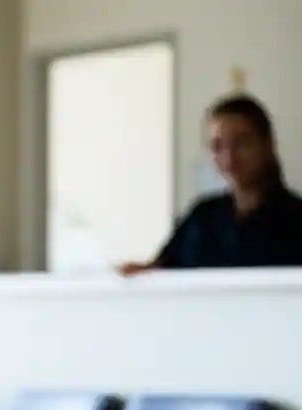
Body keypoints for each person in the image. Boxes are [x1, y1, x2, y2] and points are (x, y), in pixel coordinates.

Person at [119, 94, 302, 275]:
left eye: (242, 143)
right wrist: (136, 275)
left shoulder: (296, 218)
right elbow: (163, 271)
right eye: (217, 146)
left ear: (267, 145)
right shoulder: (201, 217)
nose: (229, 158)